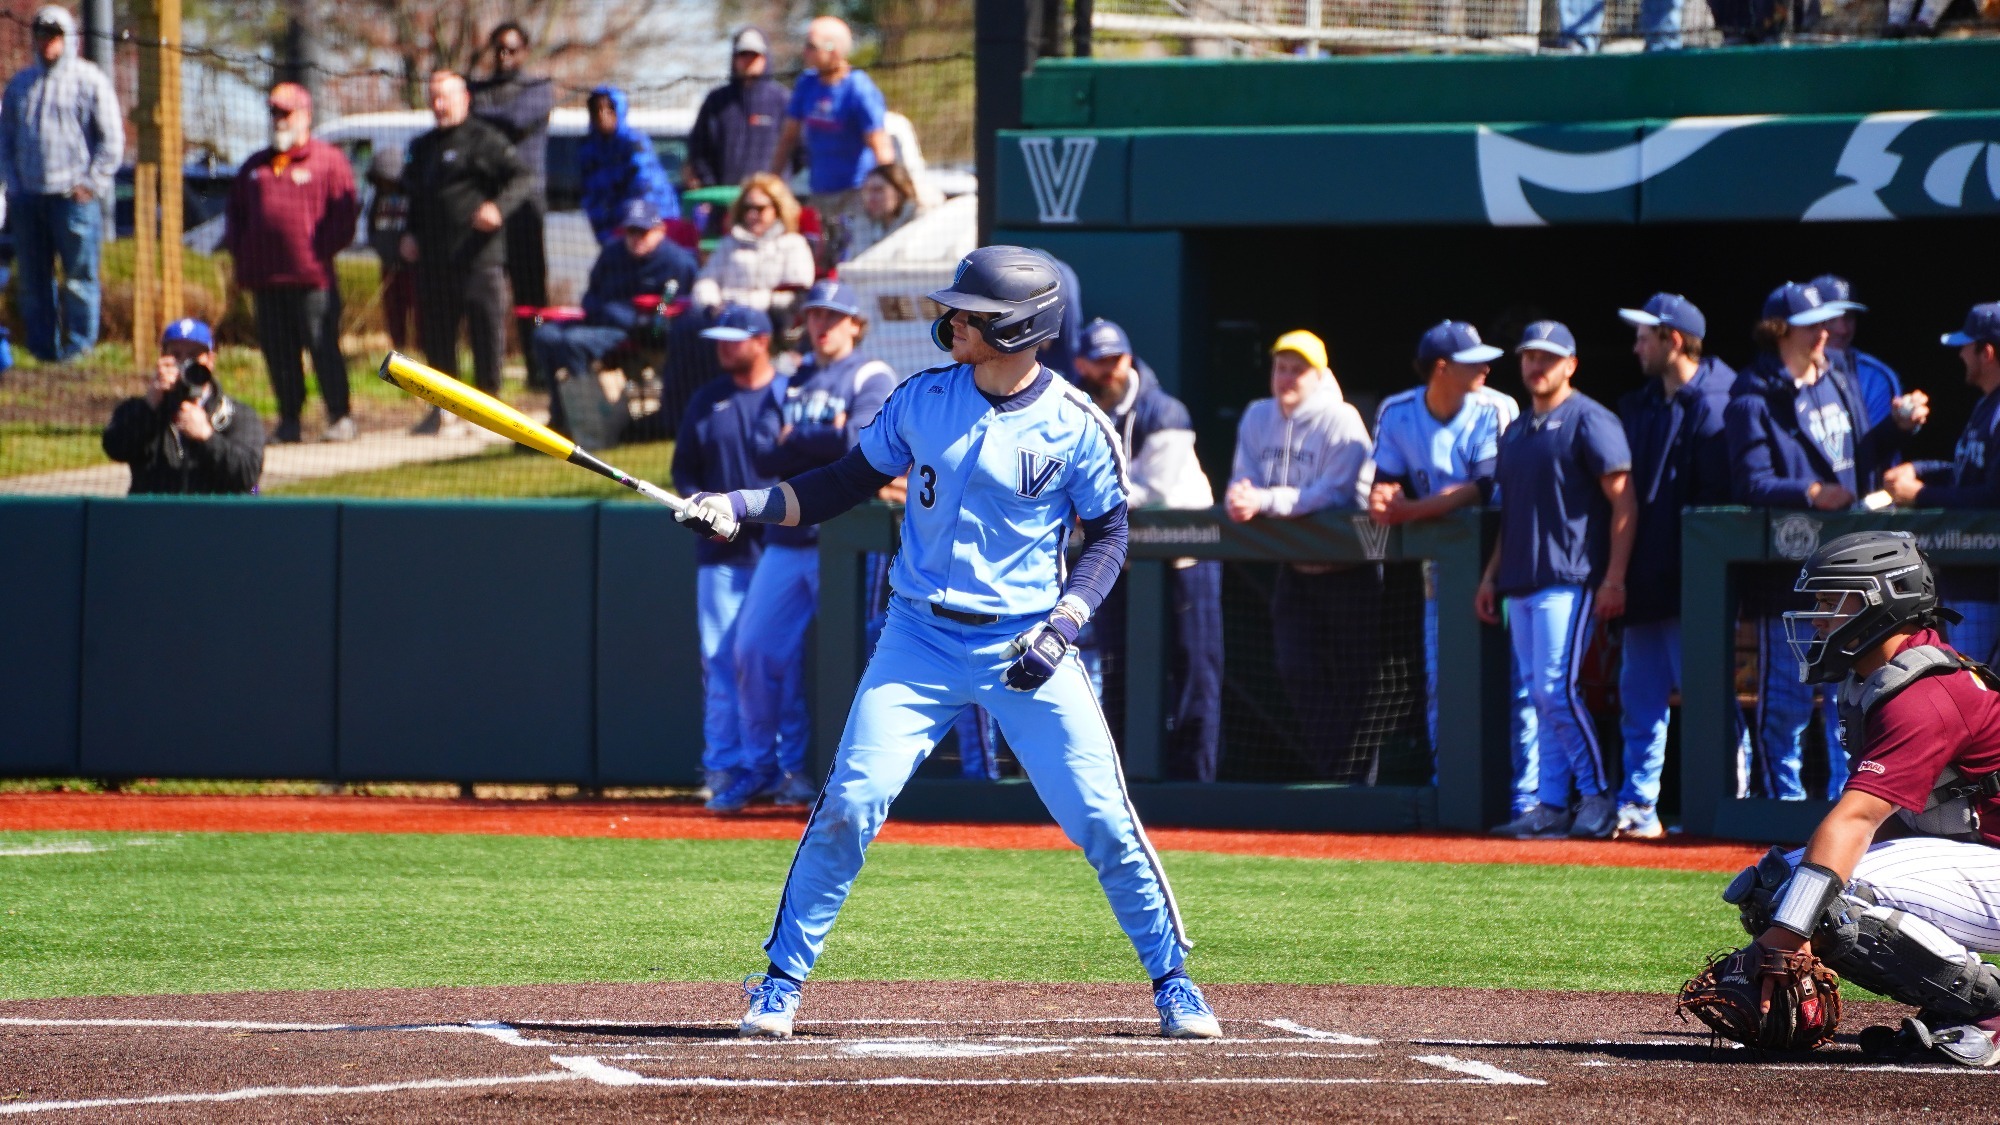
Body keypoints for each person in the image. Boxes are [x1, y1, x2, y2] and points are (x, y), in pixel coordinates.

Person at [674, 246, 1218, 1043]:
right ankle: (781, 979)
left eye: (973, 312)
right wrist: (741, 504)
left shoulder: (1077, 423)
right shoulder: (922, 398)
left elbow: (1110, 534)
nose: (953, 320)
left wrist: (1065, 623)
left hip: (1027, 644)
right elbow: (840, 484)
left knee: (1103, 816)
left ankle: (1174, 980)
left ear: (1019, 327)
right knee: (849, 801)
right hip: (918, 639)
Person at [1724, 531, 2000, 1069]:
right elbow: (1887, 826)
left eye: (1832, 601)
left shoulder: (1927, 693)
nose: (1818, 618)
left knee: (1813, 900)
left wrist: (1788, 934)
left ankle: (1989, 1012)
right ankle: (1956, 1005)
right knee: (1780, 887)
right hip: (1982, 863)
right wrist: (1794, 918)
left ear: (1883, 599)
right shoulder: (1881, 679)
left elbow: (1856, 821)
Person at [1726, 281, 1929, 800]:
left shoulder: (1838, 374)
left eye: (1826, 322)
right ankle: (1780, 816)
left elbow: (1862, 453)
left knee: (1856, 704)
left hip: (1851, 579)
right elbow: (1750, 482)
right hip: (1789, 581)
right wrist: (1812, 492)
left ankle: (1847, 816)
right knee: (1787, 710)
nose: (1825, 332)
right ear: (1780, 331)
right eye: (1812, 325)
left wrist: (1896, 427)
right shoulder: (1753, 393)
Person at [711, 279, 900, 813]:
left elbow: (859, 448)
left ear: (855, 325)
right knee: (753, 650)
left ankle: (855, 779)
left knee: (860, 656)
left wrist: (799, 440)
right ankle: (768, 768)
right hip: (787, 539)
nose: (822, 325)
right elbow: (762, 452)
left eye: (833, 316)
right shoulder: (791, 377)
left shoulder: (871, 374)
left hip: (850, 540)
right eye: (815, 315)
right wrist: (821, 438)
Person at [1477, 321, 1635, 840]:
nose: (1536, 366)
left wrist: (1614, 578)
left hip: (1571, 575)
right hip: (1521, 579)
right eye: (1529, 356)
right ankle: (1549, 803)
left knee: (1555, 690)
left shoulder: (1590, 418)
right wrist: (1490, 576)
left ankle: (1597, 796)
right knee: (1539, 696)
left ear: (1570, 364)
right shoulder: (1517, 429)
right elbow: (1511, 513)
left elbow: (1624, 501)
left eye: (1547, 357)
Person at [1071, 318, 1222, 782]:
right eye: (1098, 362)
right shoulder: (1076, 411)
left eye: (1115, 360)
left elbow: (1152, 490)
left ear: (1129, 360)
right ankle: (1122, 782)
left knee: (1193, 671)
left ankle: (1195, 787)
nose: (1108, 371)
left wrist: (1083, 500)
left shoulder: (1164, 411)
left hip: (1184, 558)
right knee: (1119, 669)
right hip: (1121, 562)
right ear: (1081, 364)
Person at [1224, 329, 1378, 783]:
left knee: (1355, 683)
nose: (1287, 377)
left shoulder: (1342, 420)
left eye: (1298, 370)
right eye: (1281, 367)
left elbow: (1330, 495)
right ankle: (1333, 774)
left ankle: (1358, 786)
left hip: (1350, 570)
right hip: (1296, 569)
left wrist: (1263, 501)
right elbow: (1244, 479)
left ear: (1319, 376)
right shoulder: (1257, 415)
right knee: (1295, 669)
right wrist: (1240, 494)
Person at [1612, 294, 1737, 840]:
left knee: (1709, 704)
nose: (1636, 346)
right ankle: (1639, 806)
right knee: (1639, 703)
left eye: (1646, 336)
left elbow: (1717, 501)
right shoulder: (1639, 404)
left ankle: (1728, 804)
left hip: (1696, 586)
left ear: (1675, 340)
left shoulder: (1721, 397)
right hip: (1645, 582)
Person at [1368, 320, 1511, 788]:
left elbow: (1483, 486)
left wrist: (1410, 510)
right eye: (1474, 362)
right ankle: (1445, 780)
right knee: (1440, 679)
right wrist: (1382, 499)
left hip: (1500, 558)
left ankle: (1518, 792)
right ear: (1443, 368)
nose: (1486, 368)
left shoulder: (1493, 407)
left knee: (1511, 683)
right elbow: (1385, 480)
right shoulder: (1398, 411)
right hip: (1442, 566)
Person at [672, 304, 780, 803]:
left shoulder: (787, 395)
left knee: (771, 663)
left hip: (778, 551)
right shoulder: (707, 399)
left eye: (734, 338)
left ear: (762, 341)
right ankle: (722, 766)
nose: (723, 347)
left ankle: (780, 767)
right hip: (720, 555)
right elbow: (685, 473)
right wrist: (699, 509)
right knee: (719, 660)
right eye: (720, 339)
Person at [225, 82, 361, 445]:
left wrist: (316, 252)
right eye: (274, 113)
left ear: (305, 116)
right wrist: (244, 255)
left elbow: (345, 217)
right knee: (278, 353)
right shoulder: (254, 166)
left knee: (322, 346)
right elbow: (235, 217)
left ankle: (340, 416)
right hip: (266, 281)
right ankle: (289, 421)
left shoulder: (328, 160)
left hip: (313, 281)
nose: (278, 120)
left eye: (285, 113)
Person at [403, 70, 531, 421]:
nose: (438, 105)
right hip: (434, 262)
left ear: (464, 99)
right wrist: (409, 233)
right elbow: (414, 197)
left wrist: (498, 209)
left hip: (479, 258)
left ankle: (489, 410)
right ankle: (443, 409)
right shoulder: (421, 147)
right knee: (437, 337)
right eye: (433, 98)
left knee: (485, 334)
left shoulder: (484, 139)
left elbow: (523, 177)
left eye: (445, 97)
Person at [0, 5, 122, 362]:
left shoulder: (90, 80)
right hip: (29, 199)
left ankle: (79, 350)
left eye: (54, 35)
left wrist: (91, 185)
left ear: (69, 39)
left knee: (80, 280)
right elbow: (5, 141)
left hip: (73, 200)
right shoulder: (20, 85)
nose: (47, 42)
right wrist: (14, 185)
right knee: (33, 281)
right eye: (41, 35)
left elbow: (112, 141)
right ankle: (42, 352)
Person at [1883, 303, 2000, 665]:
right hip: (1971, 579)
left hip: (1988, 583)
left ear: (1987, 351)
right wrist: (1918, 469)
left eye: (1966, 346)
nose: (1961, 354)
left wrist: (1919, 494)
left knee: (1981, 687)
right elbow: (1968, 471)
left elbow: (1994, 496)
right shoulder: (1987, 405)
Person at [531, 198, 697, 436]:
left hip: (638, 333)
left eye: (642, 232)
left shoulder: (677, 262)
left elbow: (681, 309)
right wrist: (604, 312)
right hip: (599, 321)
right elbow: (591, 296)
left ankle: (587, 424)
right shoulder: (611, 253)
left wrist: (630, 318)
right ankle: (559, 415)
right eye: (631, 231)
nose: (636, 238)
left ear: (660, 230)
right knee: (545, 335)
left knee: (573, 343)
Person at [471, 21, 556, 387]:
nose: (505, 56)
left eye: (512, 49)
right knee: (486, 290)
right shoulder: (479, 90)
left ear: (525, 52)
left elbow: (516, 119)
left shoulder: (538, 88)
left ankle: (539, 368)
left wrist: (477, 112)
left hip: (525, 206)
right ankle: (490, 374)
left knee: (531, 293)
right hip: (487, 204)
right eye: (499, 49)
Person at [101, 319, 265, 495]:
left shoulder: (237, 414)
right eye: (176, 355)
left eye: (194, 356)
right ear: (162, 358)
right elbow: (115, 447)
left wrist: (207, 437)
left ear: (210, 361)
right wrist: (149, 406)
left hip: (217, 510)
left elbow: (248, 474)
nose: (185, 363)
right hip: (157, 509)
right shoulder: (140, 408)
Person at [769, 16, 895, 233]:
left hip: (856, 194)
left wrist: (891, 188)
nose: (805, 52)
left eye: (811, 46)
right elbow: (788, 138)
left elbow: (879, 143)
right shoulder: (806, 83)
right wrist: (771, 181)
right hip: (819, 192)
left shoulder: (858, 88)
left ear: (833, 50)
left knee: (854, 247)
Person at [684, 29, 793, 193]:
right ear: (734, 58)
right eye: (743, 54)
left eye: (754, 55)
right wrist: (710, 184)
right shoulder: (716, 101)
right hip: (723, 198)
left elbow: (799, 150)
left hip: (769, 199)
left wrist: (777, 183)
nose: (748, 60)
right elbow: (698, 149)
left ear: (765, 58)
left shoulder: (782, 100)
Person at [688, 172, 815, 314]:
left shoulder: (794, 245)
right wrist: (711, 306)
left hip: (773, 318)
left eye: (760, 209)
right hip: (725, 316)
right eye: (747, 208)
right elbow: (705, 281)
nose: (752, 215)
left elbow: (797, 294)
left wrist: (747, 303)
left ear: (777, 208)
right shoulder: (728, 244)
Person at [580, 85, 679, 247]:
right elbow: (591, 194)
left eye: (609, 110)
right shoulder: (589, 149)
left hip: (648, 224)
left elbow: (644, 187)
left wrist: (638, 227)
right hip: (612, 229)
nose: (602, 116)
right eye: (597, 110)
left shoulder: (633, 142)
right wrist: (605, 232)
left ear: (619, 110)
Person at [1814, 274, 1904, 429]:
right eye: (1830, 319)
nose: (1842, 330)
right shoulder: (1782, 374)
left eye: (1848, 317)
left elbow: (1878, 441)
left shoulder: (1875, 377)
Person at [365, 148, 417, 353]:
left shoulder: (413, 196)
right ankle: (399, 349)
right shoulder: (379, 197)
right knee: (394, 312)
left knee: (418, 312)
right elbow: (372, 225)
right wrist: (379, 247)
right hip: (388, 265)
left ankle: (419, 352)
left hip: (412, 268)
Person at [841, 162, 923, 260]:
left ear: (900, 192)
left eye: (879, 190)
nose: (870, 198)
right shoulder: (862, 223)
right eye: (867, 191)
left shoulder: (919, 222)